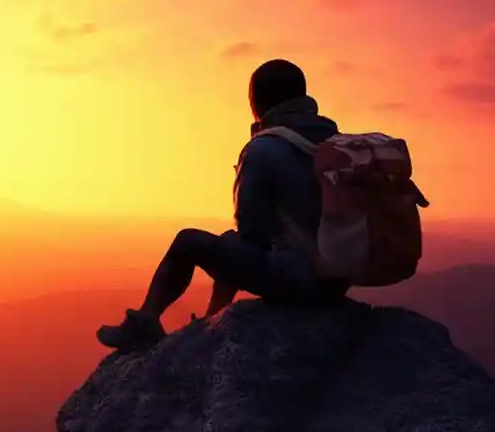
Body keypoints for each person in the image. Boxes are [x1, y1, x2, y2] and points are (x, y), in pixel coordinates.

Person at [97, 59, 350, 352]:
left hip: (300, 281)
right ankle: (212, 319)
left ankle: (145, 323)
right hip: (337, 279)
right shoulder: (335, 142)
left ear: (258, 102)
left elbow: (252, 236)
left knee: (188, 242)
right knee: (230, 247)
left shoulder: (263, 149)